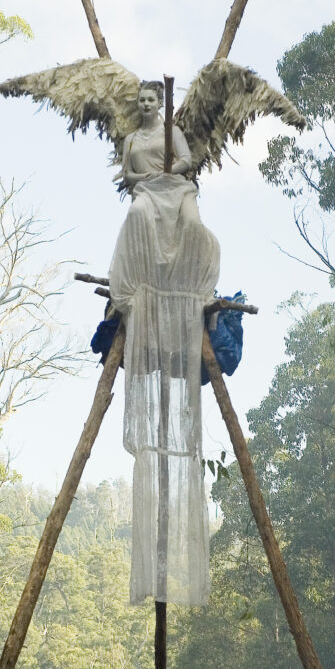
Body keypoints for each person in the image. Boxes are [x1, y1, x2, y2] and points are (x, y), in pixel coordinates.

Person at [109, 80, 219, 606]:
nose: (151, 107)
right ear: (140, 106)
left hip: (176, 192)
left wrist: (170, 173)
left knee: (197, 229)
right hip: (146, 197)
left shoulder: (173, 132)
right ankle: (148, 269)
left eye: (156, 100)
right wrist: (147, 176)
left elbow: (186, 166)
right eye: (146, 102)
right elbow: (131, 177)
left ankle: (185, 270)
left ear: (163, 104)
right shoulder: (131, 142)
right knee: (136, 214)